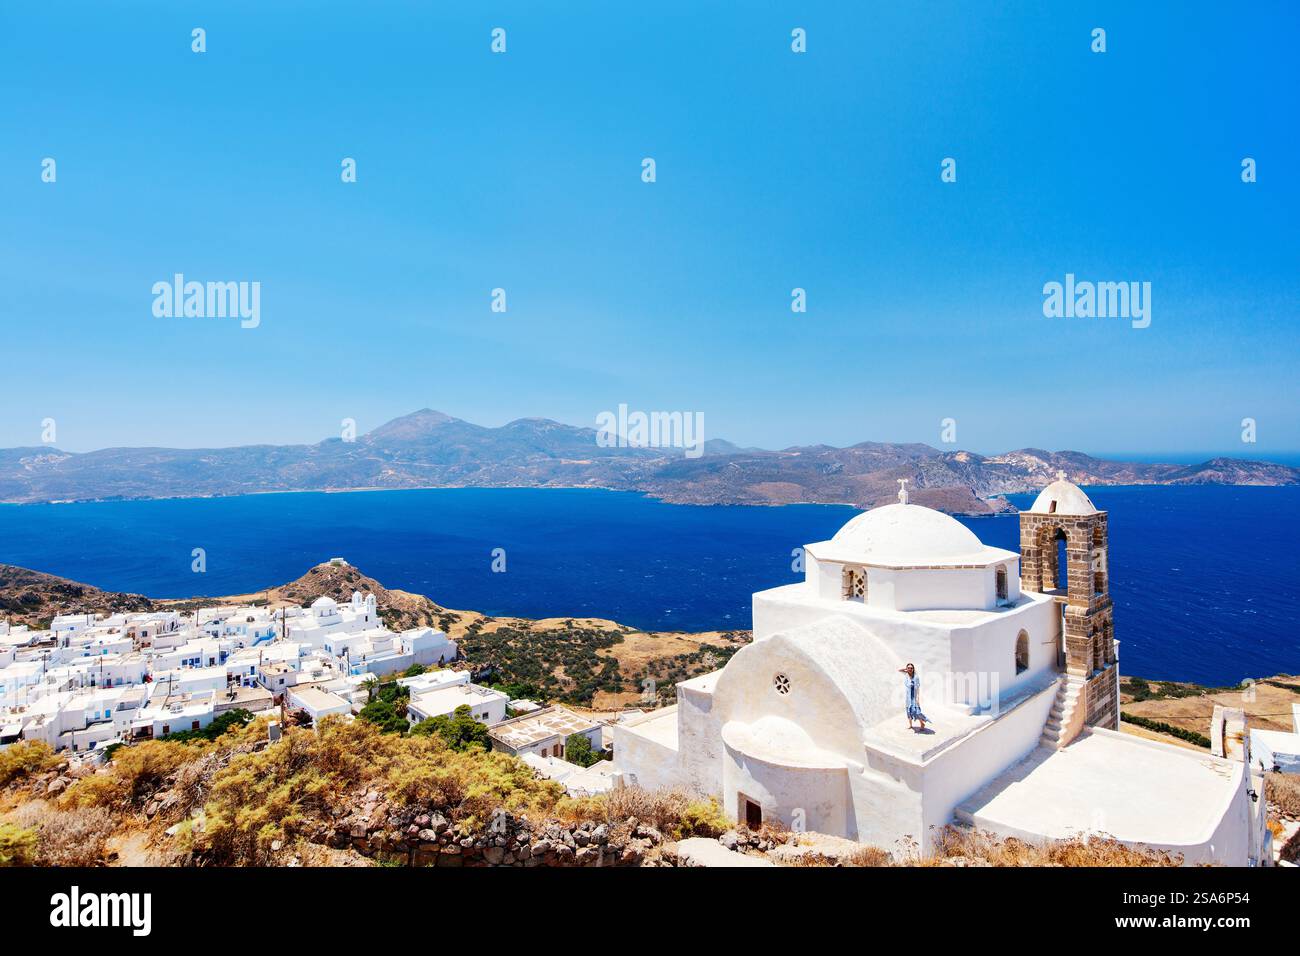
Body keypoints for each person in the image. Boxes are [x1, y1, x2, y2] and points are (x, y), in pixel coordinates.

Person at [899, 663, 928, 731]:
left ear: (913, 669)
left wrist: (917, 698)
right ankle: (910, 725)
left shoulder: (916, 677)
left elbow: (917, 689)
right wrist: (906, 669)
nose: (910, 669)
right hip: (908, 696)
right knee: (908, 710)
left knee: (916, 711)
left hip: (913, 696)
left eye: (911, 668)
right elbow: (899, 670)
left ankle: (922, 723)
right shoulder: (906, 674)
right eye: (908, 668)